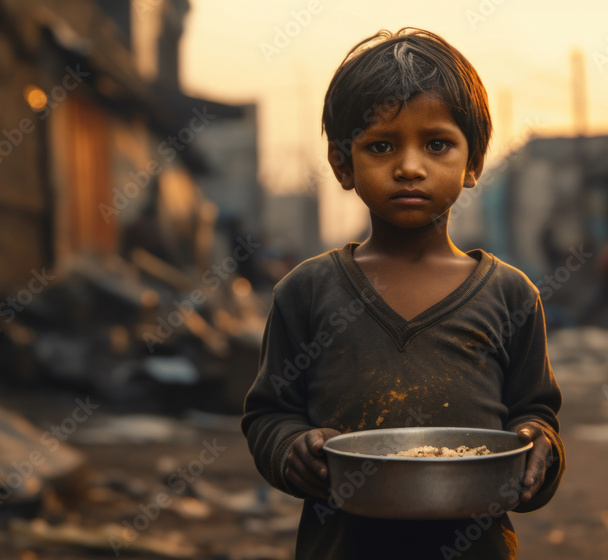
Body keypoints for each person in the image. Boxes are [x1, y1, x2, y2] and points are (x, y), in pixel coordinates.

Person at [241, 28, 565, 560]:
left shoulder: (512, 296)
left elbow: (536, 416)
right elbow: (268, 414)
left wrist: (537, 451)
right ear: (343, 164)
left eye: (437, 144)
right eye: (381, 146)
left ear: (473, 162)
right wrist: (290, 449)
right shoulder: (306, 291)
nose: (409, 166)